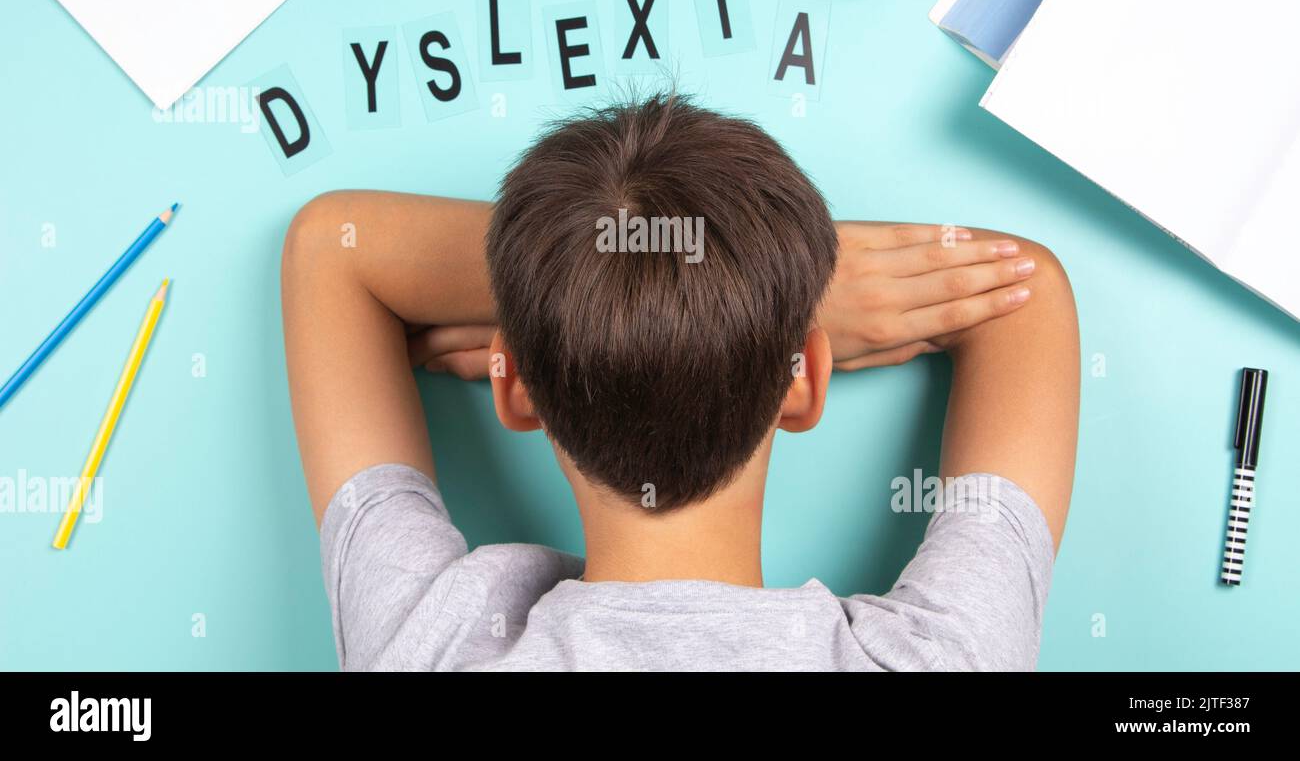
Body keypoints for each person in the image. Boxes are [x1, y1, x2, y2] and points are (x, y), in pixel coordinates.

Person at [281, 94, 1079, 671]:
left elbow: (331, 248)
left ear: (513, 384)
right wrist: (760, 286)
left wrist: (584, 289)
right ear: (804, 381)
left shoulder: (429, 647)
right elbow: (1025, 295)